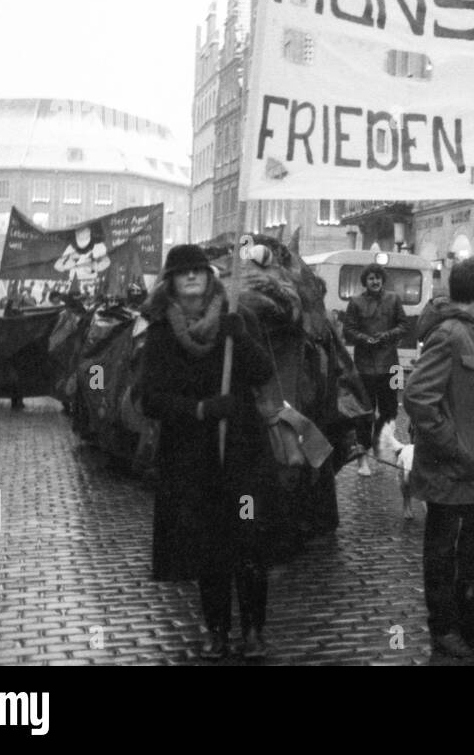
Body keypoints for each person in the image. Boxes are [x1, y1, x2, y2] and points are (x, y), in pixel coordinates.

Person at [139, 245, 276, 660]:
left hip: (243, 455)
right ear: (172, 283)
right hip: (192, 462)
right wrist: (198, 409)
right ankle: (217, 630)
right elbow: (150, 399)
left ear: (210, 276)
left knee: (249, 543)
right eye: (184, 272)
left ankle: (253, 630)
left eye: (199, 269)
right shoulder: (161, 332)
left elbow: (262, 372)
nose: (193, 276)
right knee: (210, 550)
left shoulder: (237, 318)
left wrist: (240, 337)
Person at [404, 257, 474, 659]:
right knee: (443, 556)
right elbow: (417, 397)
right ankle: (445, 629)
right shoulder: (449, 334)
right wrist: (456, 447)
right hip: (450, 473)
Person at [342, 264, 408, 476]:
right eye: (371, 278)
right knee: (365, 413)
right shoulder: (355, 302)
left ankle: (380, 444)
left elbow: (404, 325)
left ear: (382, 280)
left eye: (378, 278)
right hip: (365, 367)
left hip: (393, 367)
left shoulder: (394, 299)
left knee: (391, 410)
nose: (375, 282)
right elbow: (348, 331)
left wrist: (387, 336)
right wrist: (364, 339)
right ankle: (363, 458)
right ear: (365, 281)